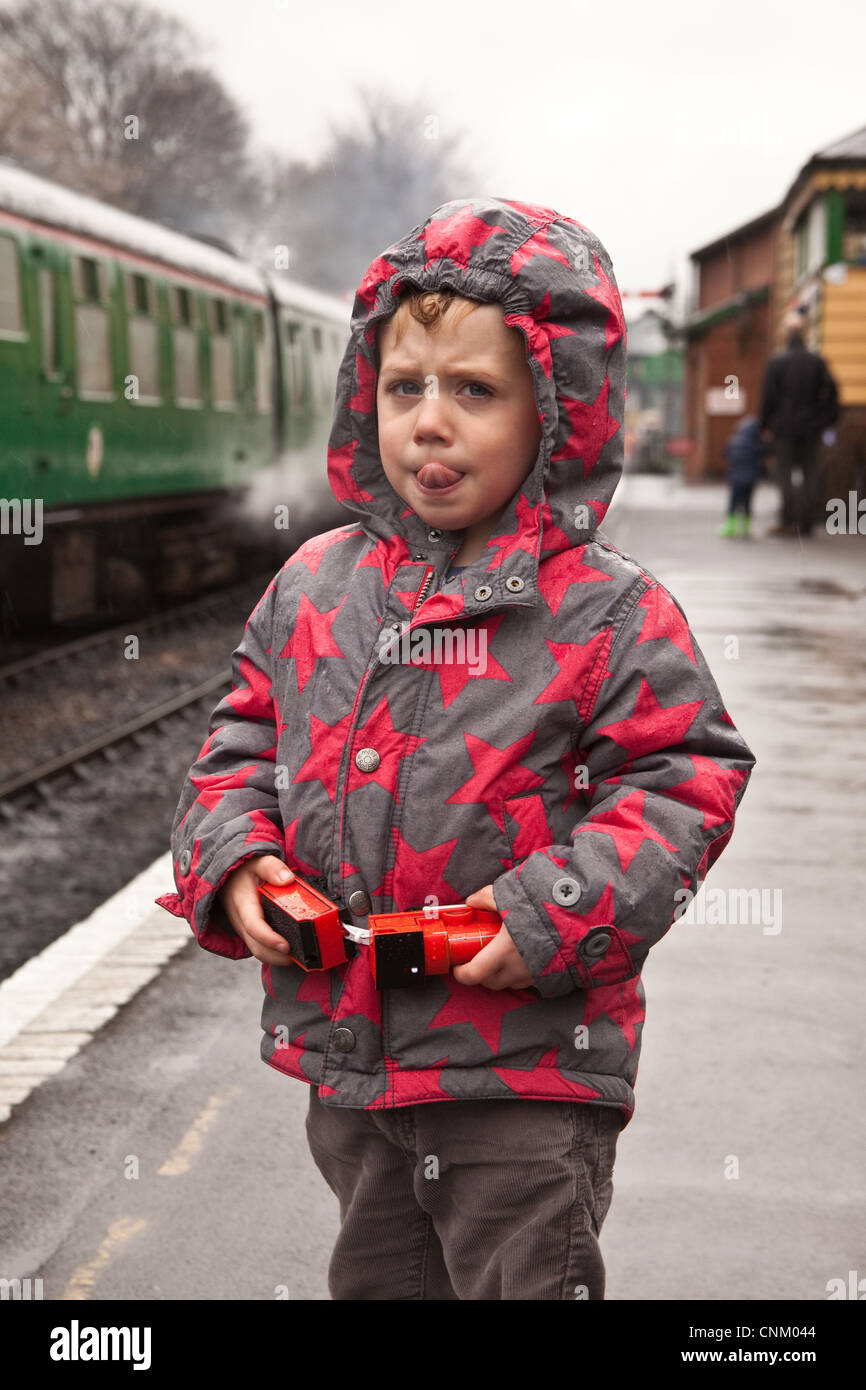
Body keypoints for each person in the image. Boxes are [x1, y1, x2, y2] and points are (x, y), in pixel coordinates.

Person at [156, 197, 756, 1301]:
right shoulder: (315, 586)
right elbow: (240, 740)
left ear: (555, 410)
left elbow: (680, 780)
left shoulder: (606, 613)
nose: (427, 422)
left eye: (472, 391)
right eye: (403, 388)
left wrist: (545, 917)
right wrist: (238, 861)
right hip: (352, 1061)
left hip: (522, 1078)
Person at [758, 310, 838, 536]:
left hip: (784, 429)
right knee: (810, 474)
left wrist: (763, 426)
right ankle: (807, 522)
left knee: (784, 475)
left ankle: (788, 520)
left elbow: (768, 397)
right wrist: (826, 421)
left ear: (786, 335)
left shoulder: (777, 361)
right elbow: (831, 392)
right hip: (812, 429)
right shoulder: (817, 361)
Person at [719, 413, 771, 538]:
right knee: (747, 503)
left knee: (733, 503)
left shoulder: (733, 441)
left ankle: (730, 527)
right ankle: (746, 528)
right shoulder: (756, 444)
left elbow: (725, 452)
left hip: (736, 478)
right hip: (750, 479)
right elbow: (767, 452)